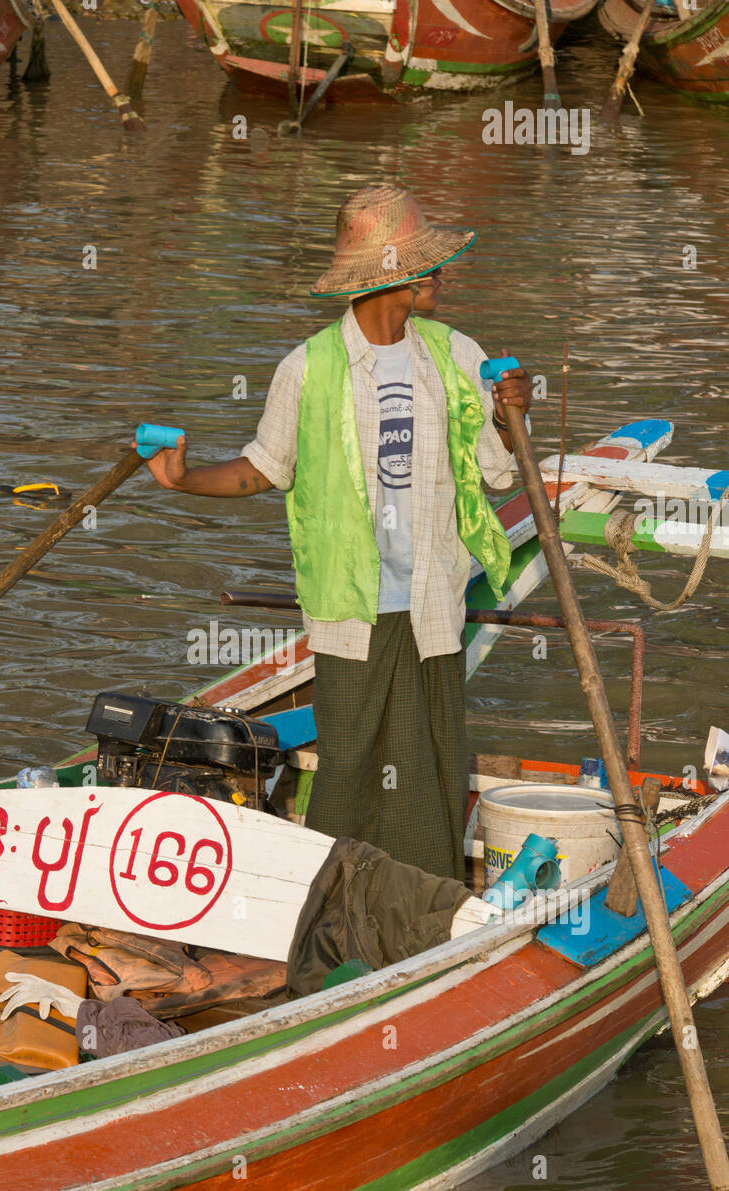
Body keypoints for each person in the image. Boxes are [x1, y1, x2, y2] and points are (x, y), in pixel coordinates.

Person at [146, 184, 532, 881]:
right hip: (349, 603)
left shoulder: (454, 355)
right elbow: (264, 468)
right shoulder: (310, 368)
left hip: (431, 598)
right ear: (392, 275)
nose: (439, 275)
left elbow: (499, 474)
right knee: (349, 763)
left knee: (427, 764)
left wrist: (510, 415)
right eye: (426, 264)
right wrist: (182, 478)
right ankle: (333, 911)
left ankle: (420, 906)